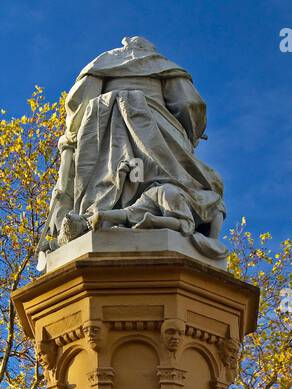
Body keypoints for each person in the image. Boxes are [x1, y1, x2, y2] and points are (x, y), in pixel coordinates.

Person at [43, 37, 227, 259]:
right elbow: (189, 104)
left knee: (106, 176)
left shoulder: (100, 64)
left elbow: (80, 101)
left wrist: (74, 134)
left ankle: (100, 216)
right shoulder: (162, 66)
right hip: (152, 125)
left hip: (103, 127)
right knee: (164, 177)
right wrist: (189, 133)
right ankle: (155, 215)